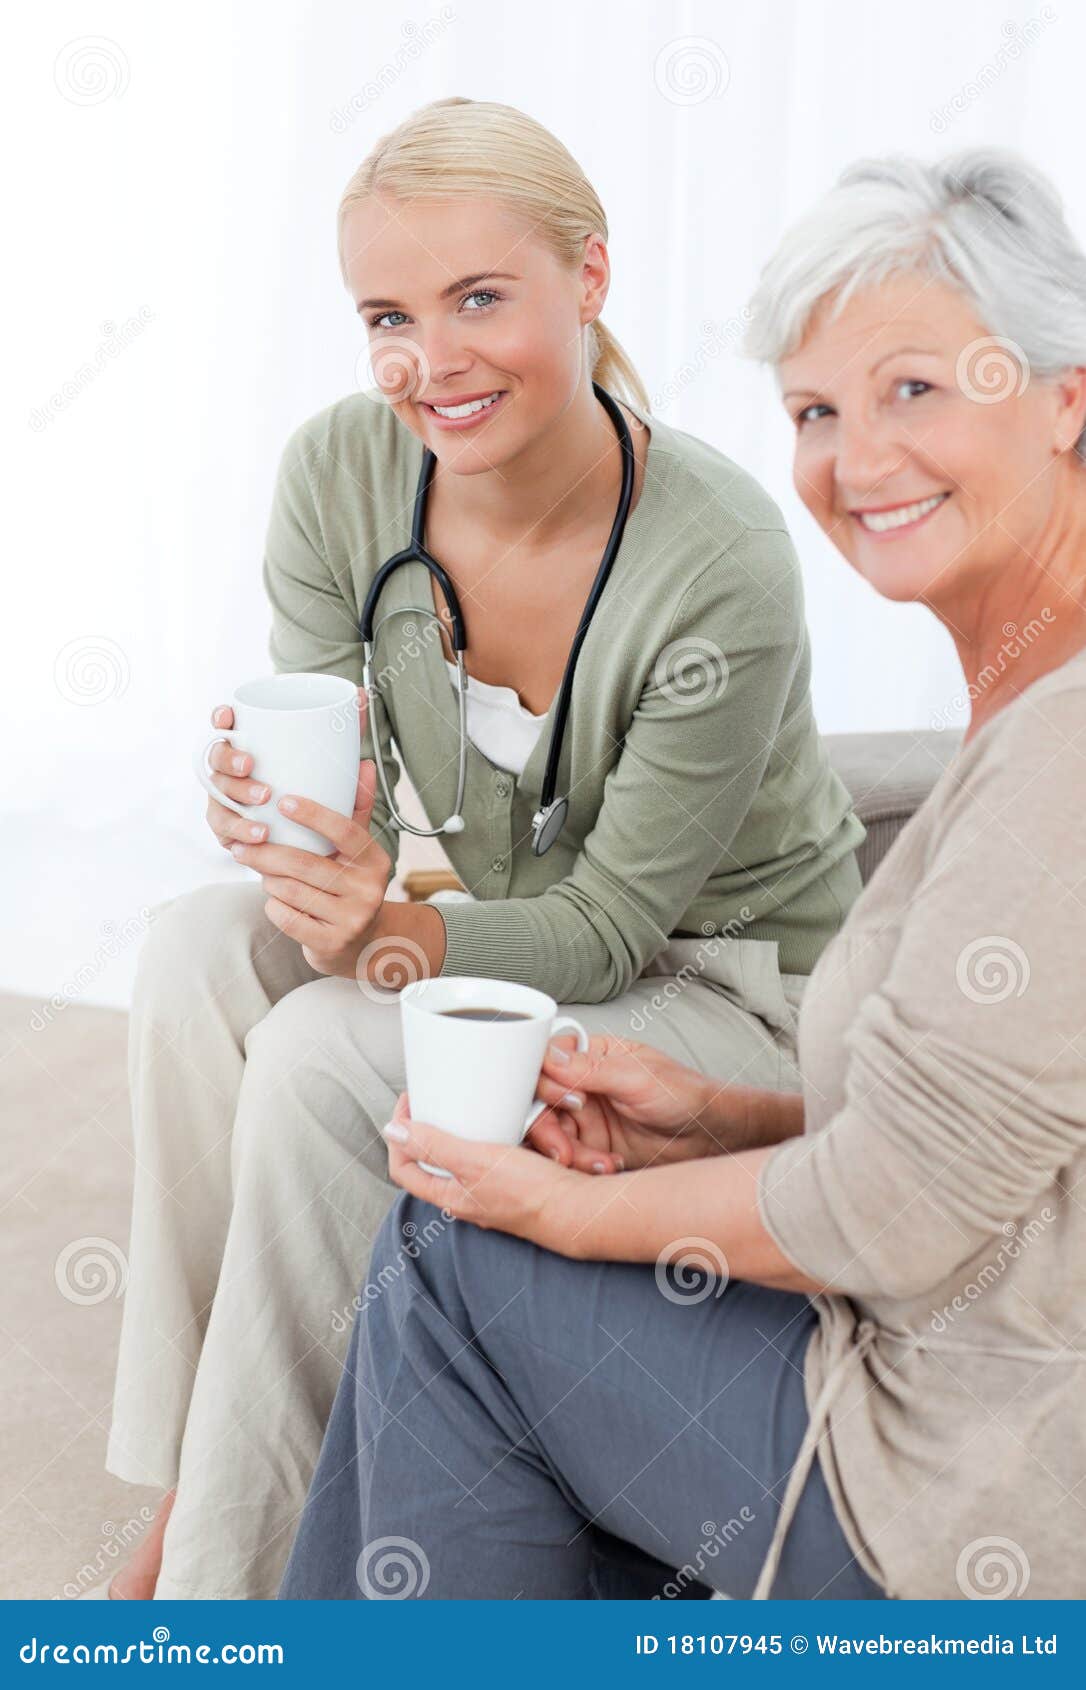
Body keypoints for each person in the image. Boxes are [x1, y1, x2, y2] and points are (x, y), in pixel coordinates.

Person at [280, 146, 1086, 1602]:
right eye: (815, 411)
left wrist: (567, 1212)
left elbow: (893, 1217)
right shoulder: (1031, 694)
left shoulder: (1064, 748)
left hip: (977, 1489)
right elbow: (1011, 1135)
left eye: (915, 388)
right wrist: (719, 1120)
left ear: (1063, 392)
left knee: (460, 1253)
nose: (857, 460)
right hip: (971, 1366)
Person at [101, 98, 861, 1600]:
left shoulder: (717, 555)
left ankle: (224, 1596)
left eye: (478, 299)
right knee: (192, 954)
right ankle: (203, 1475)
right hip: (489, 909)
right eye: (388, 313)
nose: (429, 363)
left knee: (325, 1053)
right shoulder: (340, 473)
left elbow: (603, 931)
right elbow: (360, 786)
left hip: (710, 974)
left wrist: (390, 935)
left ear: (587, 279)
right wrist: (302, 841)